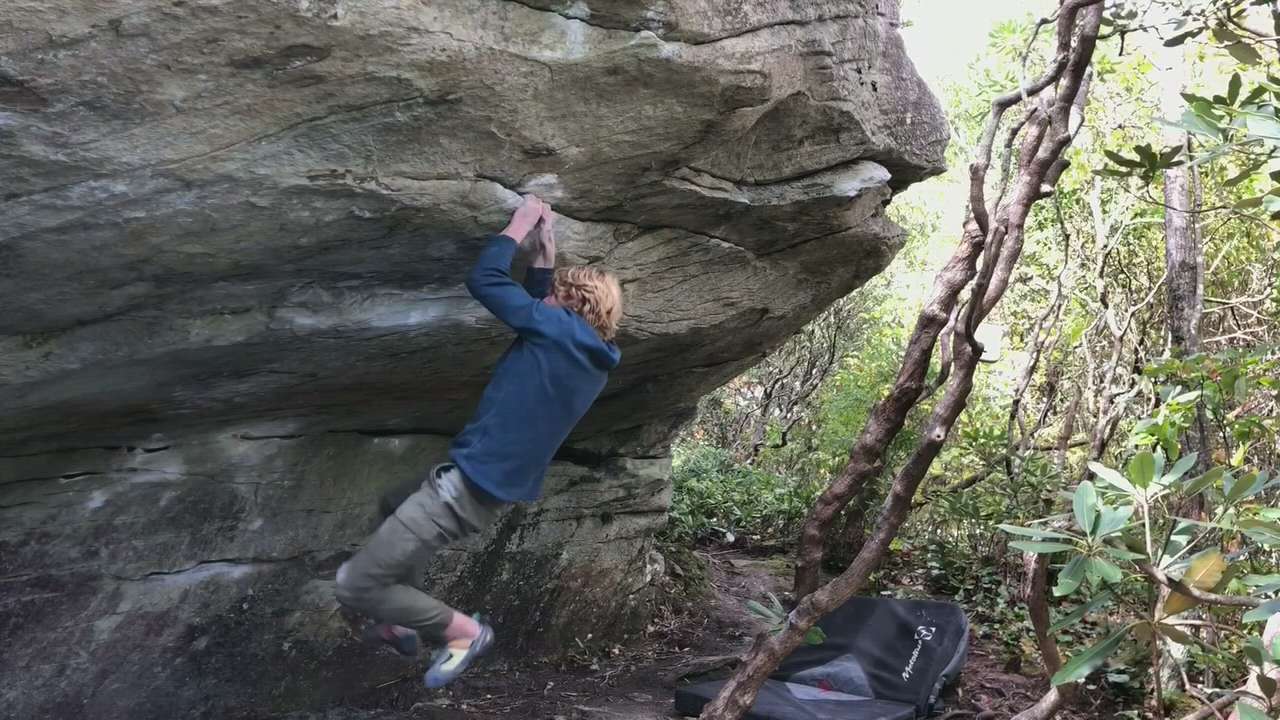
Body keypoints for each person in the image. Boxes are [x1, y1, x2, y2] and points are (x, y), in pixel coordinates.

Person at [335, 195, 623, 689]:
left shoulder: (555, 329)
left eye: (553, 294)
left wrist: (517, 226)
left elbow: (485, 281)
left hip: (458, 492)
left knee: (356, 584)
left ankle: (464, 633)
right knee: (393, 500)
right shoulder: (588, 355)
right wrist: (545, 257)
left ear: (571, 305)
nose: (545, 300)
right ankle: (400, 620)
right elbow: (538, 314)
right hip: (482, 488)